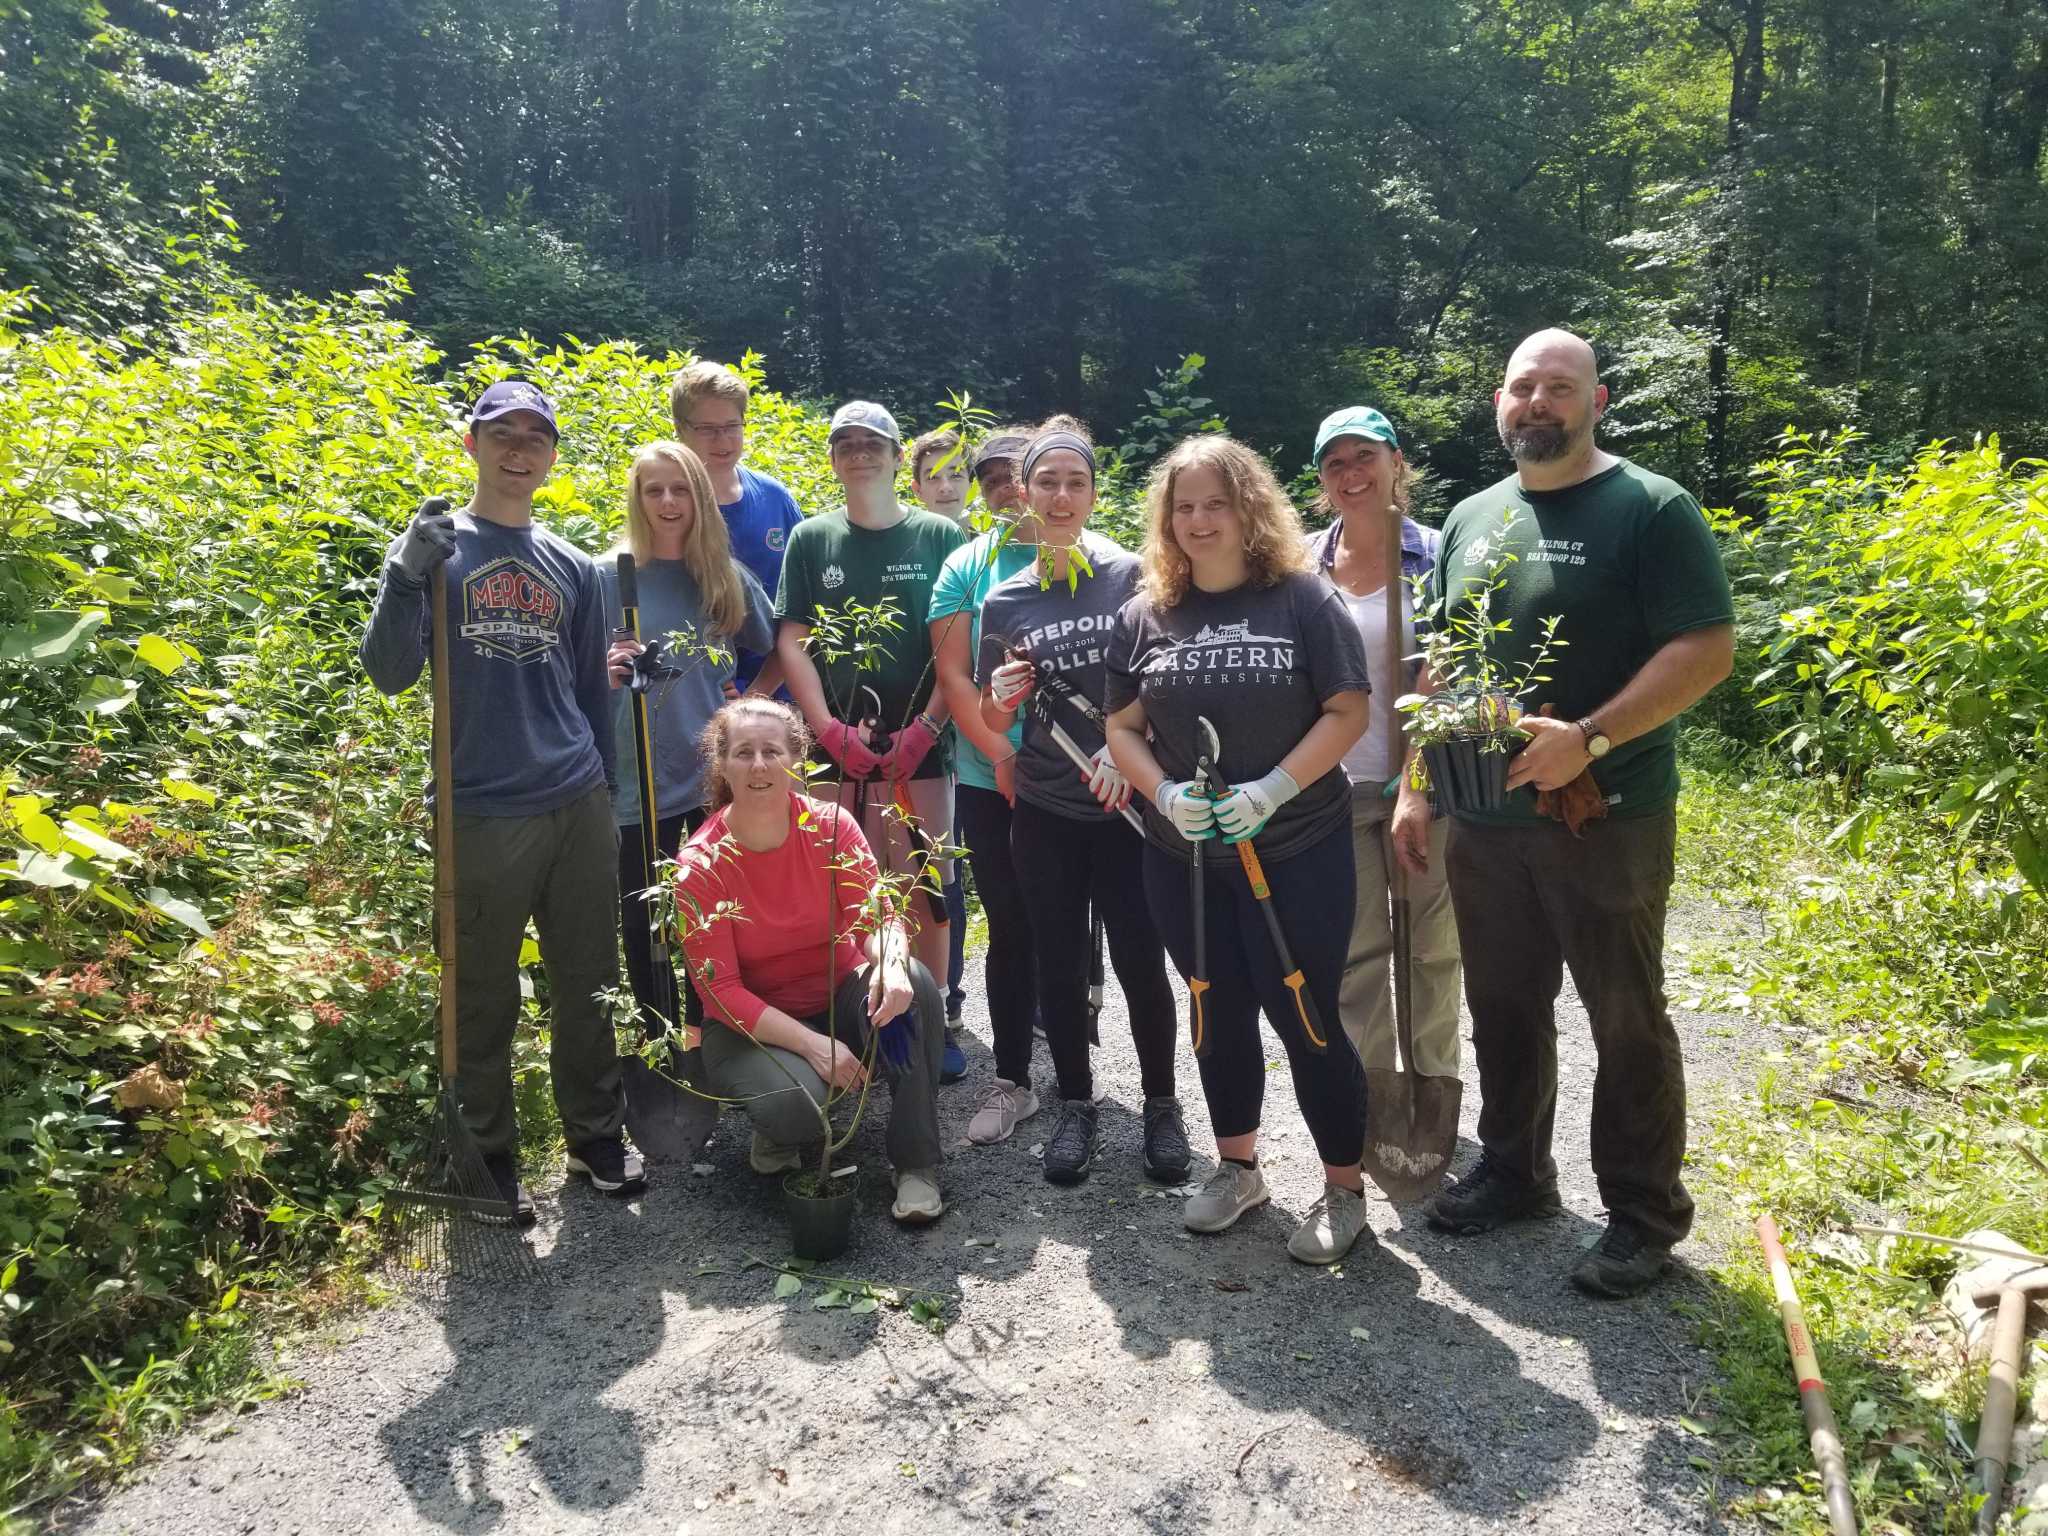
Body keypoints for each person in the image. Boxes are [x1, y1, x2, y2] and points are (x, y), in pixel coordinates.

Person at [1418, 328, 1734, 1297]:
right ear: (1498, 403)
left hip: (1609, 818)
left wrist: (1587, 737)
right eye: (1520, 387)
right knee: (1502, 1005)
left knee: (1623, 1016)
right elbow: (1436, 670)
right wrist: (1417, 790)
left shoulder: (1648, 509)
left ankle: (1641, 1213)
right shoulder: (1472, 515)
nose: (1536, 403)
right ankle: (1515, 1171)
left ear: (1595, 402)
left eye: (1558, 387)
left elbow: (1704, 647)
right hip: (1486, 823)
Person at [360, 378, 646, 1223]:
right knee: (480, 990)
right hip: (479, 806)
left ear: (553, 456)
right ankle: (488, 1158)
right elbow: (388, 674)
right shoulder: (436, 549)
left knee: (590, 979)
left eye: (535, 437)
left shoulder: (571, 565)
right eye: (502, 434)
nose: (519, 449)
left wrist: (603, 784)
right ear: (471, 442)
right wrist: (406, 578)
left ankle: (596, 1138)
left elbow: (593, 695)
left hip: (575, 797)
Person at [1104, 435, 1372, 1265]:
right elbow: (1121, 729)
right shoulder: (1144, 613)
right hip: (1182, 858)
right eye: (1183, 506)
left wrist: (1272, 791)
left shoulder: (1302, 600)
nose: (1198, 520)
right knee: (1213, 1009)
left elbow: (1347, 711)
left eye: (1216, 503)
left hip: (1297, 848)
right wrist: (1164, 793)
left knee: (1309, 1016)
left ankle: (1343, 1188)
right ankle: (1238, 1168)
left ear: (1248, 507)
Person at [978, 419, 1189, 1185]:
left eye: (1075, 482)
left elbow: (1169, 683)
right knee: (1058, 963)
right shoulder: (1004, 599)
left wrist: (1129, 754)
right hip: (1046, 808)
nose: (1061, 497)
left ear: (1095, 491)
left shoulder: (1136, 577)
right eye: (1046, 483)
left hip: (1128, 811)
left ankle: (1163, 1108)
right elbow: (995, 715)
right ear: (1023, 495)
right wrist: (1000, 696)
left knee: (1141, 958)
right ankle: (1076, 1104)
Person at [674, 697, 945, 1223]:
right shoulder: (701, 863)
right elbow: (721, 994)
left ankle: (915, 1164)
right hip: (749, 1028)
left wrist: (890, 963)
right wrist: (815, 1047)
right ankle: (781, 1129)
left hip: (837, 994)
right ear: (722, 764)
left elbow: (877, 918)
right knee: (794, 1105)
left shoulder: (830, 826)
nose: (758, 765)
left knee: (915, 984)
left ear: (797, 760)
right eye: (744, 752)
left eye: (772, 751)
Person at [773, 400, 965, 995]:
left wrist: (925, 730)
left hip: (924, 745)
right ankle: (856, 1013)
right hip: (833, 749)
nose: (860, 452)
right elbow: (793, 639)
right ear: (832, 459)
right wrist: (827, 729)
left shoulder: (940, 534)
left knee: (923, 882)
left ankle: (931, 1019)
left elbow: (960, 645)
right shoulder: (811, 538)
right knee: (837, 884)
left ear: (896, 455)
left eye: (873, 442)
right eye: (847, 443)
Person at [1304, 406, 1462, 1084]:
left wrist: (1417, 784)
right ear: (1322, 480)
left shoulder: (1437, 555)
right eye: (1335, 463)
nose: (1351, 473)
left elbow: (1446, 676)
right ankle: (1374, 1100)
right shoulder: (1301, 564)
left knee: (1431, 950)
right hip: (1332, 790)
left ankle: (1434, 1087)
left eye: (1364, 456)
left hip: (1419, 787)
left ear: (1398, 462)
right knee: (1354, 954)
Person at [599, 440, 774, 1048]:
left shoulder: (723, 578)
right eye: (654, 490)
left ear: (701, 497)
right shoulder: (607, 575)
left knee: (722, 912)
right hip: (636, 778)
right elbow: (572, 674)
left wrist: (749, 702)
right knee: (647, 921)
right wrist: (604, 669)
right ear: (637, 498)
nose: (668, 502)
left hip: (711, 778)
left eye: (680, 489)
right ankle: (665, 1046)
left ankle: (722, 1034)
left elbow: (778, 646)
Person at [927, 428, 1048, 1141]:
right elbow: (952, 674)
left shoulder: (1088, 562)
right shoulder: (966, 565)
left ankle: (1082, 1070)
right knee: (1009, 918)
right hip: (984, 774)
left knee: (1069, 920)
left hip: (1077, 777)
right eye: (992, 477)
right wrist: (1001, 753)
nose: (1007, 486)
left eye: (1017, 473)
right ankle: (1012, 1078)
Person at [669, 361, 802, 695]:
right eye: (707, 429)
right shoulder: (666, 506)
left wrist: (756, 693)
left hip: (778, 694)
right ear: (680, 428)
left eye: (732, 426)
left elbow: (805, 603)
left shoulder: (774, 498)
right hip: (694, 695)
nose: (723, 440)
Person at [908, 426, 976, 1064]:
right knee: (926, 866)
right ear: (916, 483)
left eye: (959, 472)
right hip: (926, 736)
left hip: (973, 738)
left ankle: (950, 997)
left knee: (946, 867)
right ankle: (928, 999)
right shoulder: (911, 543)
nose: (947, 484)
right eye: (936, 474)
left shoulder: (987, 547)